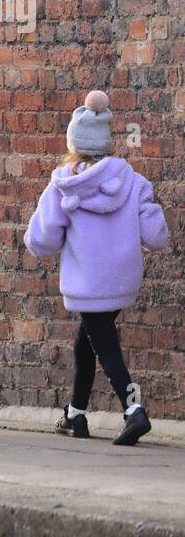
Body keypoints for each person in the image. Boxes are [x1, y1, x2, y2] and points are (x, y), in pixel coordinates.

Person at [24, 90, 169, 447]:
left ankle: (134, 411)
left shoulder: (63, 184)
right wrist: (147, 209)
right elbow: (156, 236)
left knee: (106, 348)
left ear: (74, 142)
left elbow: (41, 242)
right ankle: (75, 414)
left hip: (87, 283)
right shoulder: (132, 180)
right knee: (85, 341)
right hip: (121, 280)